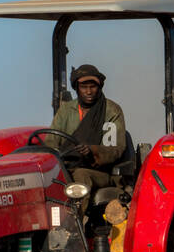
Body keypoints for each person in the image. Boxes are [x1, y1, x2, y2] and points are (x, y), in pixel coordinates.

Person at [46, 64, 126, 210]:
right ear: (76, 88)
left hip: (102, 172)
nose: (89, 91)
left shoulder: (111, 110)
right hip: (66, 168)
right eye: (84, 87)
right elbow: (51, 142)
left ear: (99, 87)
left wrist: (91, 151)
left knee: (81, 176)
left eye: (93, 86)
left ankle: (75, 224)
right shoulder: (65, 110)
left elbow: (115, 150)